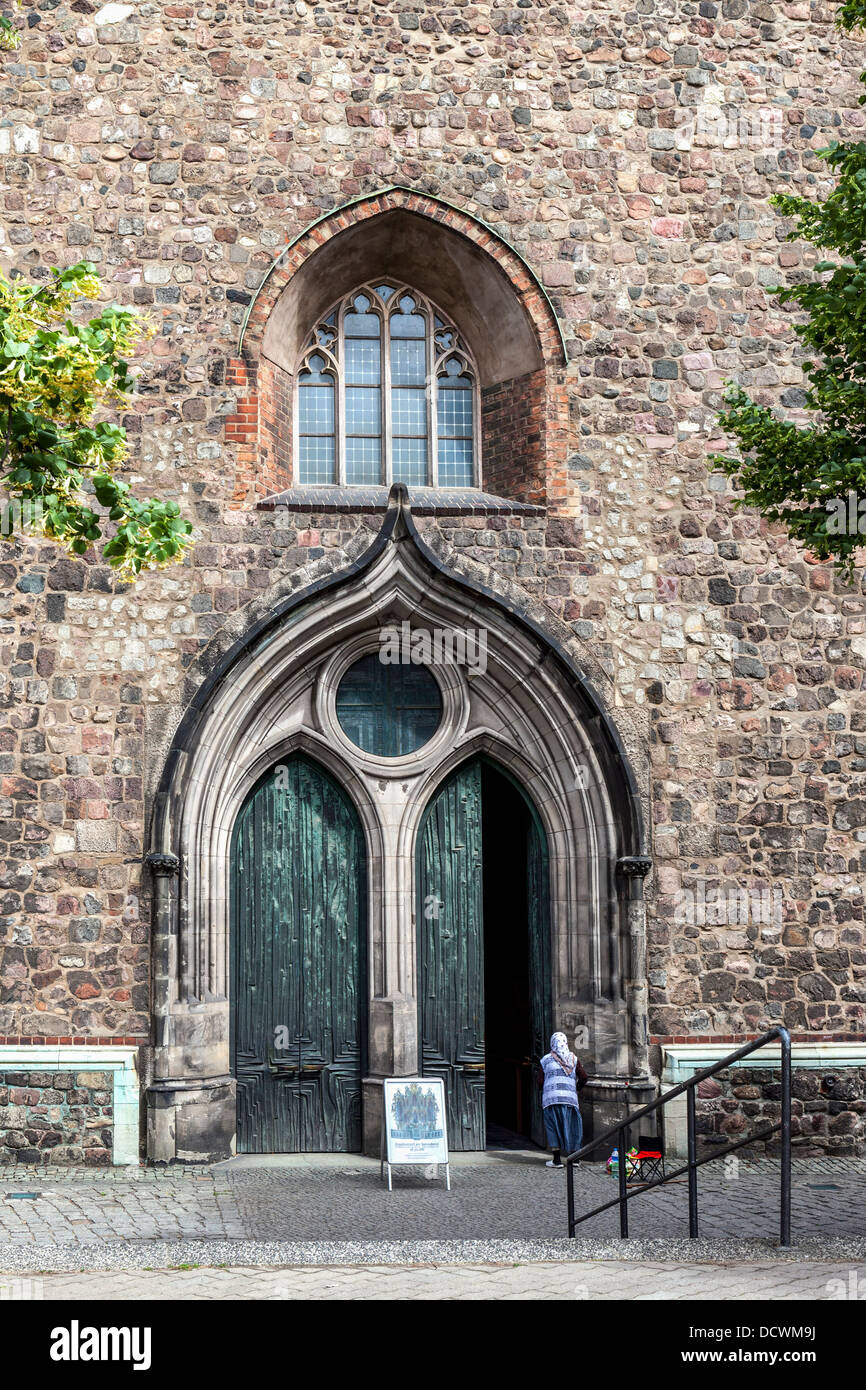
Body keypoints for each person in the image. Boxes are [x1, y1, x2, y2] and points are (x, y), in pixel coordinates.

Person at [539, 1031, 588, 1168]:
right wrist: (575, 1089)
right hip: (570, 1100)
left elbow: (540, 1081)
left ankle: (556, 1160)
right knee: (573, 1127)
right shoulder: (573, 1059)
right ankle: (575, 1159)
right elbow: (584, 1077)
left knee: (553, 1127)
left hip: (551, 1099)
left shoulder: (546, 1059)